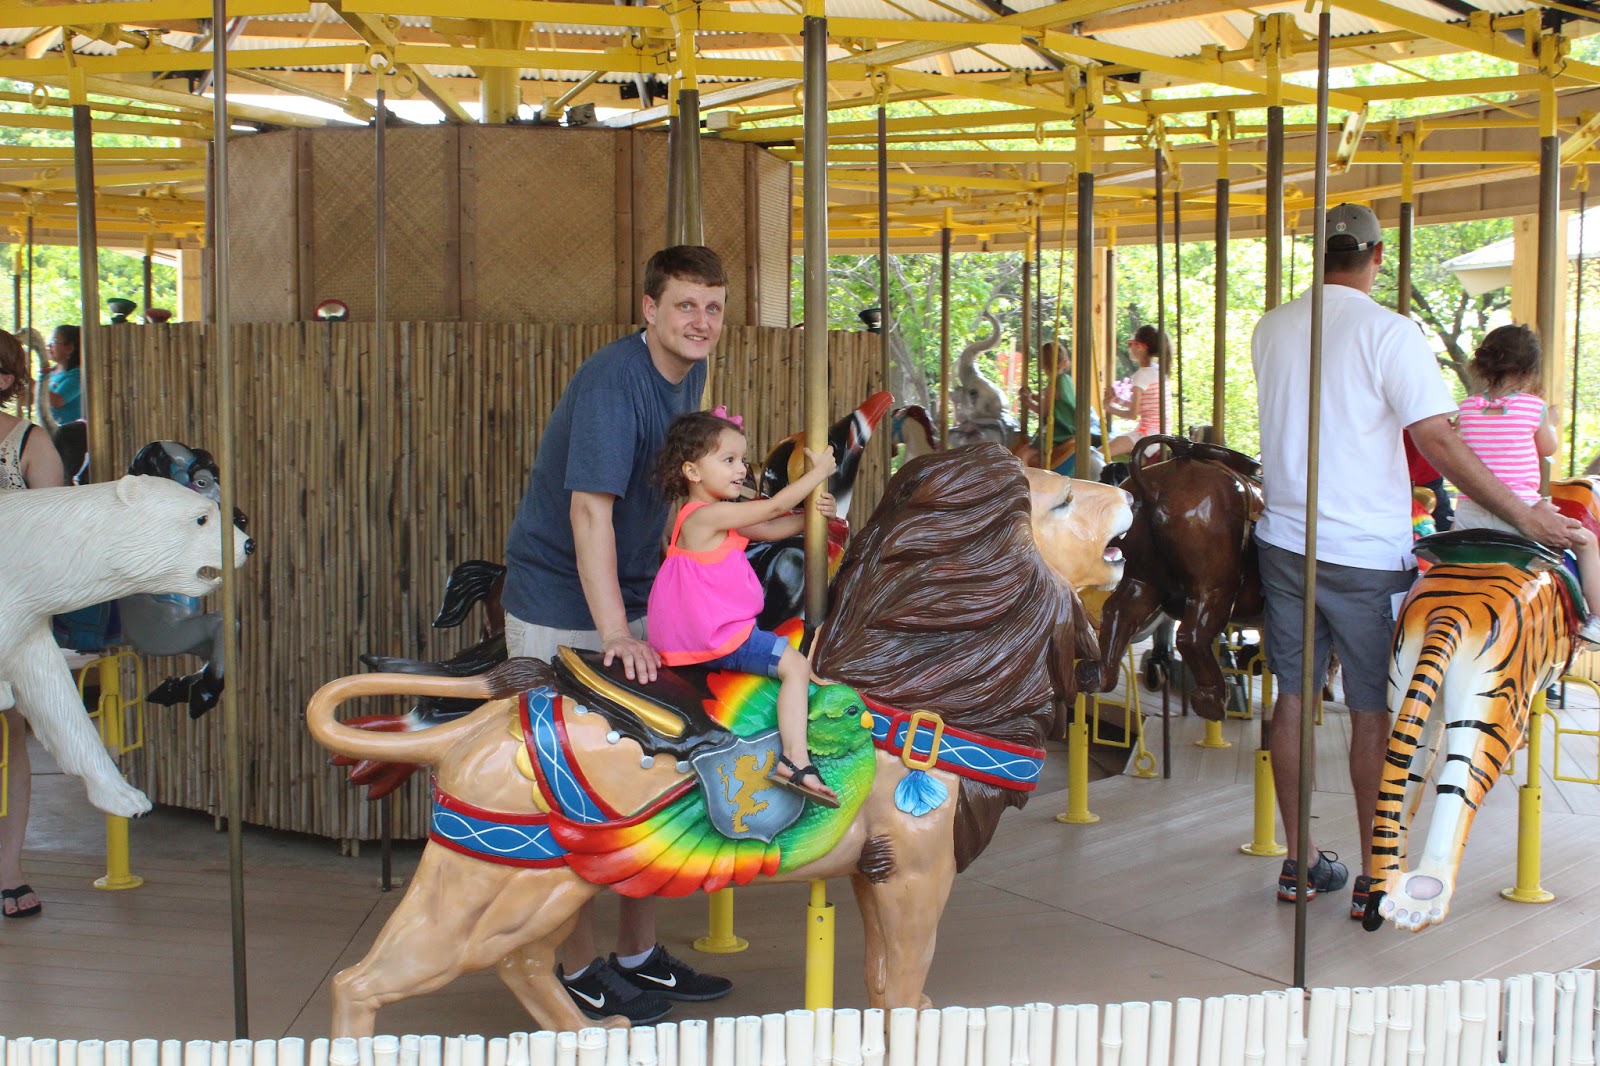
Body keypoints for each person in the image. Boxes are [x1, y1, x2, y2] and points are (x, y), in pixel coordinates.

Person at [1250, 203, 1580, 920]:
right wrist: (1525, 513)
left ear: (1320, 254)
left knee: (1293, 697)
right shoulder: (1390, 332)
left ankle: (1299, 859)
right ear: (1374, 256)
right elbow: (1438, 441)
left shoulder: (1271, 326)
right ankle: (1375, 871)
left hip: (1282, 540)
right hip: (1364, 553)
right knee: (1374, 708)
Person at [500, 245, 732, 1024]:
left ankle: (638, 955)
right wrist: (614, 632)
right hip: (565, 599)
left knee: (657, 776)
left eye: (712, 307)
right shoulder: (612, 386)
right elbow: (588, 511)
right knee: (574, 790)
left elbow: (680, 483)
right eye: (685, 306)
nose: (701, 322)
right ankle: (574, 966)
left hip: (637, 590)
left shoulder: (689, 371)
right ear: (649, 310)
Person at [647, 408, 840, 805]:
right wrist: (817, 475)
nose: (742, 470)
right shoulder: (707, 516)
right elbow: (769, 510)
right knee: (796, 665)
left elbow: (770, 527)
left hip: (698, 637)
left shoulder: (715, 516)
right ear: (693, 472)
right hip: (721, 637)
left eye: (742, 459)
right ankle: (795, 760)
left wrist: (810, 519)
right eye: (729, 460)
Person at [1451, 324, 1600, 644]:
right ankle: (1597, 619)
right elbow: (1547, 449)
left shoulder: (1467, 408)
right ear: (1531, 370)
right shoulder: (1534, 407)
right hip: (1522, 515)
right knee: (1586, 541)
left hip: (1469, 515)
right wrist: (1552, 422)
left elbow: (1457, 447)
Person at [0, 330, 65, 920]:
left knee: (9, 736)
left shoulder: (29, 441)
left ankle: (9, 866)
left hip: (10, 604)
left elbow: (58, 534)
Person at [1103, 325, 1170, 459]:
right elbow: (1142, 407)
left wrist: (1108, 408)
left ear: (1140, 346)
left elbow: (1133, 414)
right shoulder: (1157, 370)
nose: (1129, 348)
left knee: (1096, 455)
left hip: (1148, 435)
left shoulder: (1141, 376)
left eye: (1130, 344)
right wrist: (1117, 400)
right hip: (1160, 432)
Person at [38, 324, 81, 429]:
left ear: (69, 348)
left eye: (54, 342)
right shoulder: (51, 372)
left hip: (69, 436)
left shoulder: (78, 375)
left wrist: (33, 382)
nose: (49, 345)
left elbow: (56, 401)